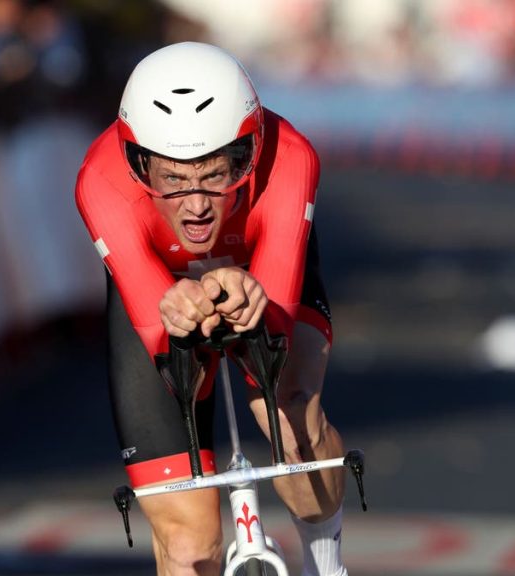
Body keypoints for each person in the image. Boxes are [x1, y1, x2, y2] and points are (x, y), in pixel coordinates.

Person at [75, 41, 346, 576]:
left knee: (292, 417)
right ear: (138, 164)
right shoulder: (99, 181)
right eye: (172, 179)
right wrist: (174, 311)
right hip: (160, 285)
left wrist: (249, 297)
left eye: (215, 174)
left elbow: (276, 327)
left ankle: (327, 567)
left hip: (263, 275)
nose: (196, 203)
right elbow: (161, 334)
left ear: (247, 153)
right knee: (188, 544)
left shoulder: (291, 157)